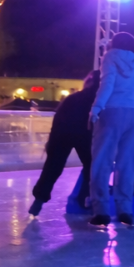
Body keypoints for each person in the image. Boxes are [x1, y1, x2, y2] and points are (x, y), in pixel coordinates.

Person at [88, 33, 134, 228]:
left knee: (102, 162)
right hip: (133, 115)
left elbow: (107, 84)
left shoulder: (110, 56)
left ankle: (101, 212)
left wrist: (96, 108)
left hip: (111, 112)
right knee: (127, 164)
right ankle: (125, 211)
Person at [29, 71, 100, 217]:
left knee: (53, 166)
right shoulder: (99, 99)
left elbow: (58, 119)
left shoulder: (72, 98)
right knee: (92, 165)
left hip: (62, 133)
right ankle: (85, 197)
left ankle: (39, 199)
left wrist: (52, 140)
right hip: (85, 134)